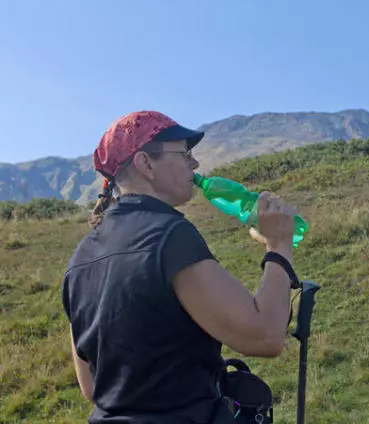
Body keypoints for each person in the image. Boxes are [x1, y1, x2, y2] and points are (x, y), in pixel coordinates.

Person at [61, 110, 299, 423]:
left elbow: (92, 387)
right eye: (185, 153)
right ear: (145, 163)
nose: (195, 164)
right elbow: (266, 337)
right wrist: (279, 247)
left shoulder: (79, 259)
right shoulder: (168, 236)